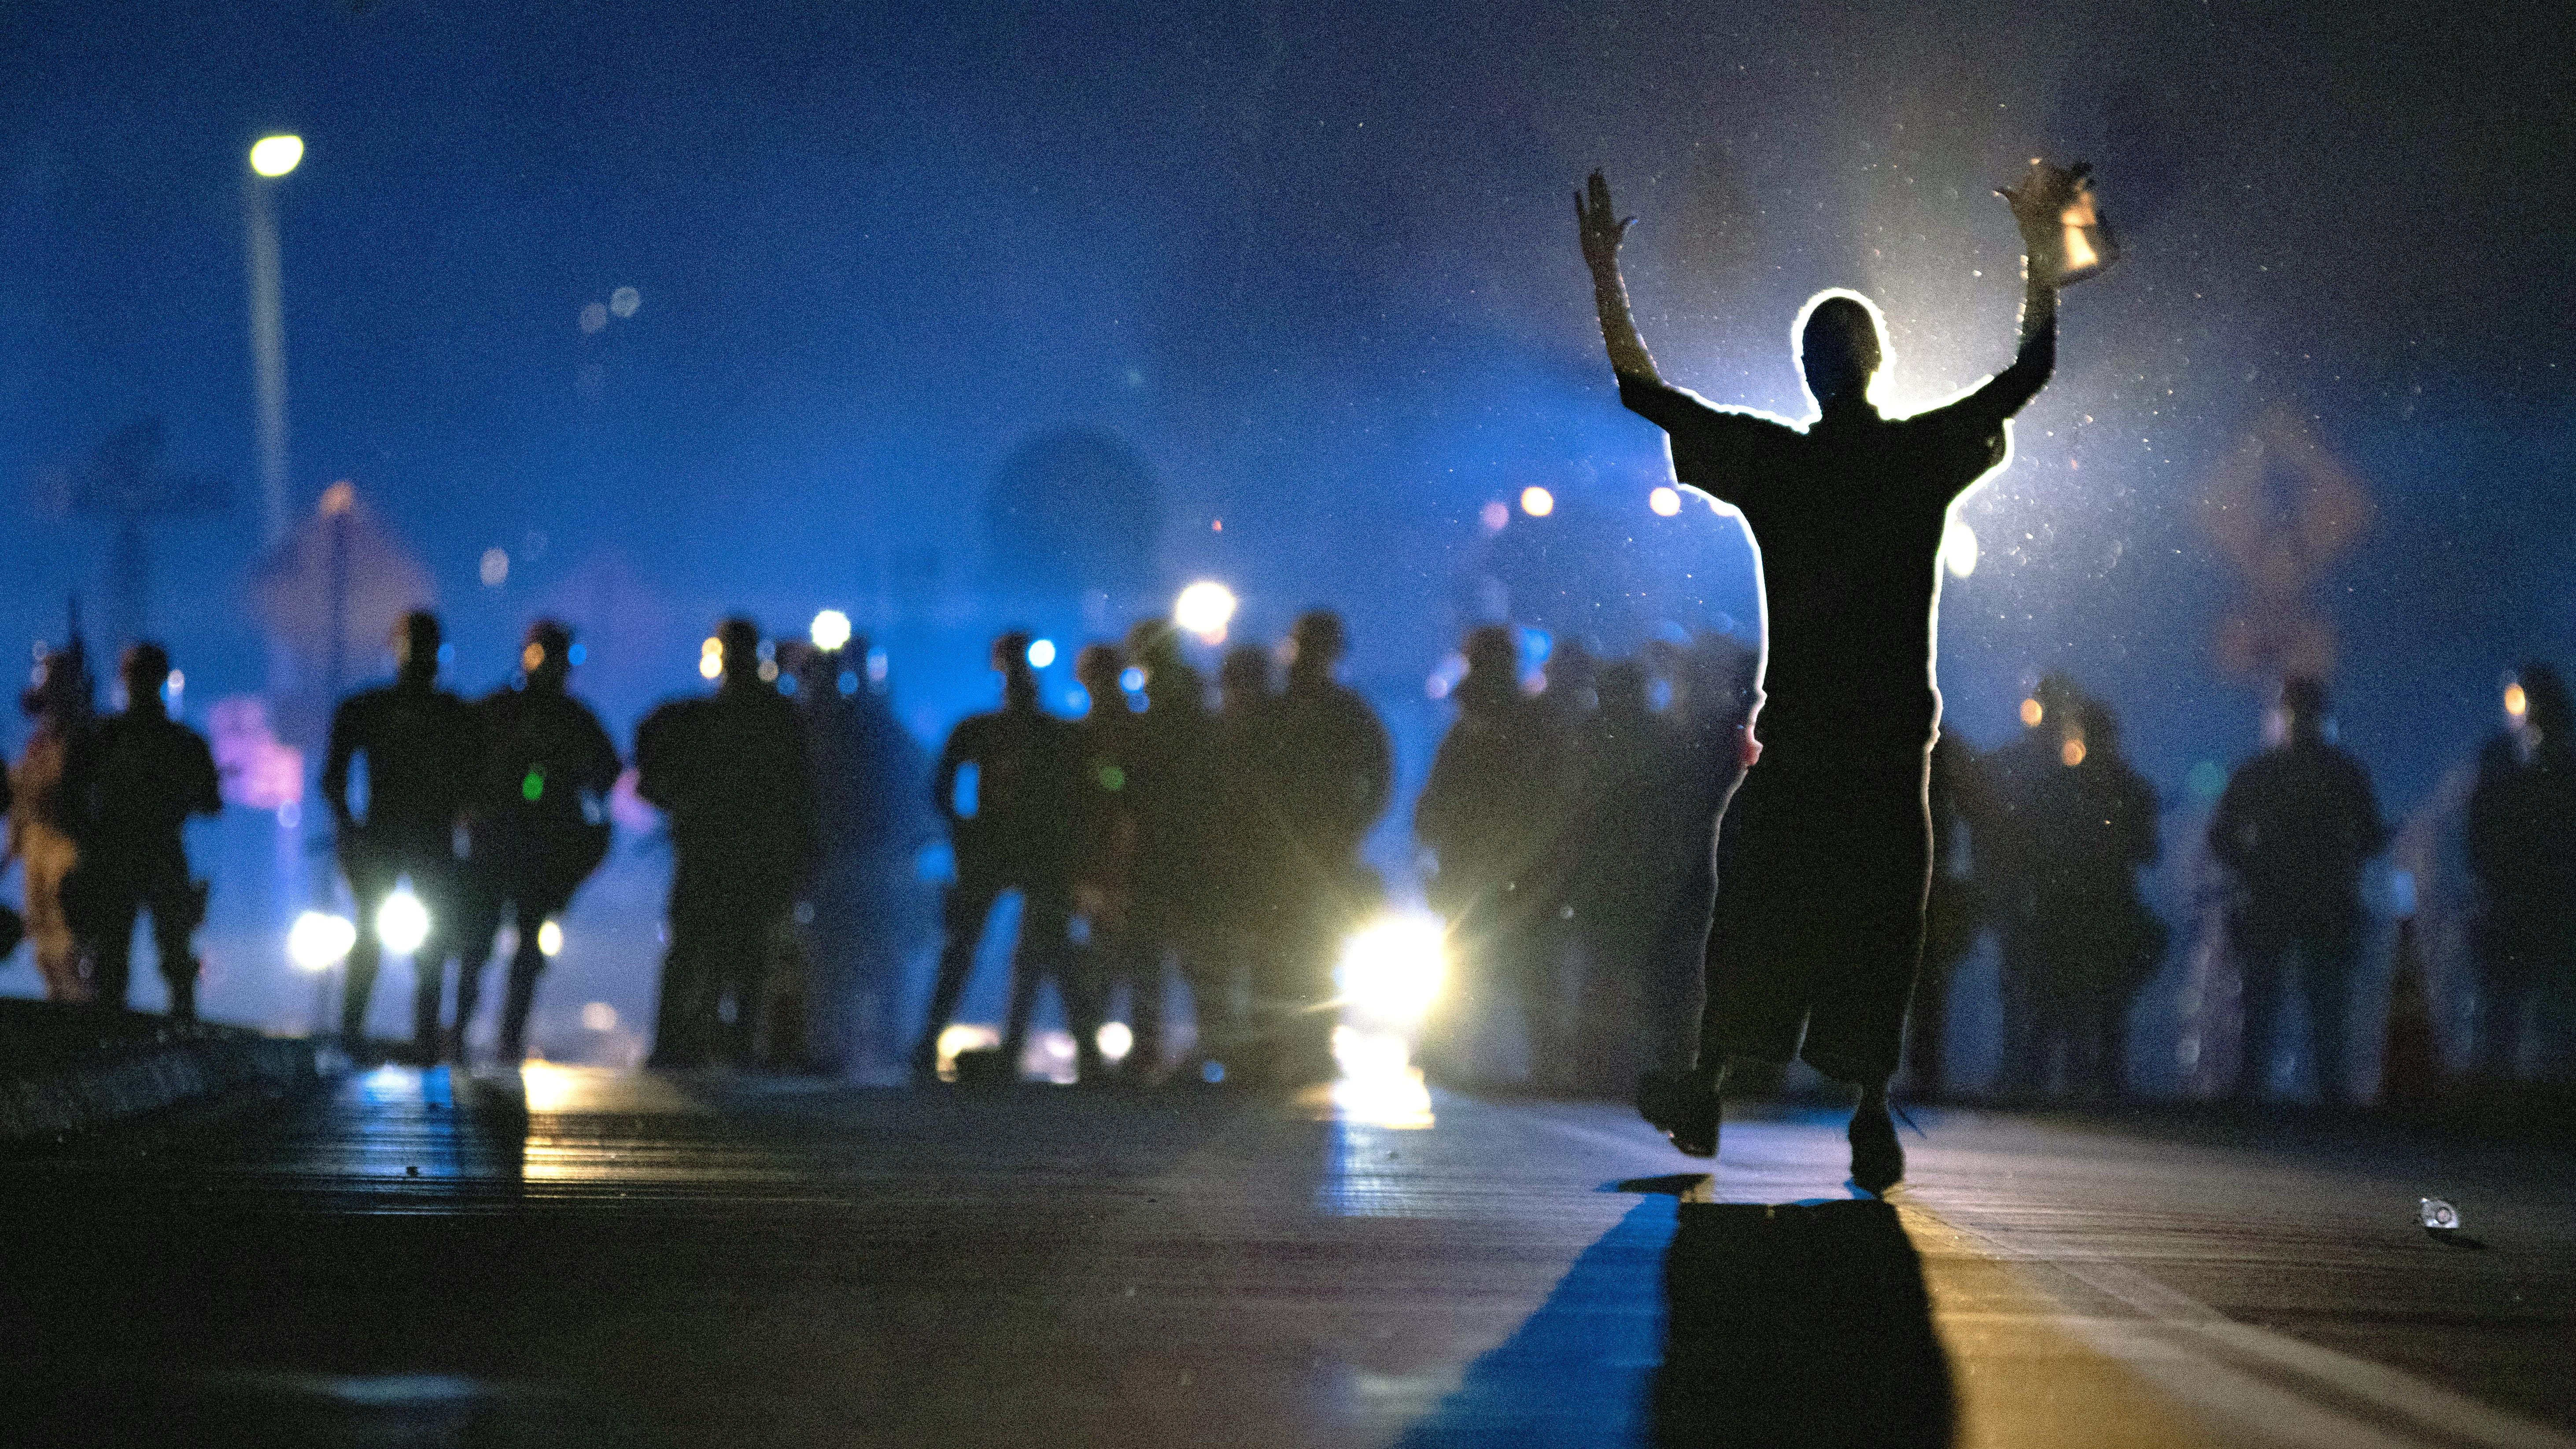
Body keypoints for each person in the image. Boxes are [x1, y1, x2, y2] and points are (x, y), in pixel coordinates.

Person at [1580, 157, 2081, 1188]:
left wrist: (1603, 275)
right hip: (1890, 756)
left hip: (1802, 752)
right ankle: (1864, 1110)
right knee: (1874, 929)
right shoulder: (1917, 461)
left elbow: (1643, 393)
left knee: (1753, 907)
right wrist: (2037, 255)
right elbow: (2025, 377)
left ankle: (1707, 1081)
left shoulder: (1776, 467)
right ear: (1878, 362)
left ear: (1808, 371)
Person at [636, 617, 819, 1069]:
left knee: (708, 952)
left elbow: (800, 795)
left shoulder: (708, 720)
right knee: (737, 954)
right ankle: (722, 1045)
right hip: (743, 857)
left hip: (724, 856)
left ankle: (685, 1044)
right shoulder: (775, 721)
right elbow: (803, 796)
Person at [911, 630, 1092, 1082]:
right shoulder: (1042, 732)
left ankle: (945, 1046)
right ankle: (1068, 1049)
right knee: (1033, 950)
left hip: (1016, 851)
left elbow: (942, 790)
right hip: (1020, 851)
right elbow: (943, 790)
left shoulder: (989, 730)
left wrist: (967, 830)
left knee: (1027, 951)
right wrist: (967, 830)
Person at [2208, 675, 2387, 1103]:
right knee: (2320, 1009)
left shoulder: (2261, 772)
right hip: (2319, 902)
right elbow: (2371, 836)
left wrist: (2252, 867)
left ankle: (2253, 1091)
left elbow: (2222, 837)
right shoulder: (2341, 773)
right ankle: (2327, 1096)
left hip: (2273, 902)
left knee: (2264, 1006)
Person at [449, 620, 620, 1065]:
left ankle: (505, 1039)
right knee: (479, 944)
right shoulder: (500, 710)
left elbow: (605, 783)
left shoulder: (572, 720)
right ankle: (464, 1034)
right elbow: (458, 771)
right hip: (497, 845)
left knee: (520, 949)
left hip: (539, 852)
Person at [1417, 625, 1575, 1085]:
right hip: (1497, 867)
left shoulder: (1491, 724)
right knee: (1492, 965)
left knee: (1483, 964)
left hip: (1493, 865)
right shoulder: (1514, 722)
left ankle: (1454, 1053)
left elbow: (1442, 797)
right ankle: (1473, 1055)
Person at [324, 611, 480, 1059]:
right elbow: (333, 781)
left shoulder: (383, 710)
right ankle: (384, 1036)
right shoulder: (442, 714)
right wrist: (348, 828)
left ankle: (400, 1037)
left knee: (413, 941)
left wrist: (348, 827)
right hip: (398, 840)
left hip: (409, 840)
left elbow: (333, 781)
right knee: (388, 937)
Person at [1264, 611, 1394, 1081]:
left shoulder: (1344, 711)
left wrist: (1351, 826)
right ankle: (1285, 1047)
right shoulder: (1285, 709)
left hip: (1323, 850)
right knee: (1286, 949)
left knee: (1314, 950)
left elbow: (1380, 775)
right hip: (1286, 852)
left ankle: (1309, 1046)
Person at [2012, 692, 2163, 1099]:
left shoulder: (2077, 789)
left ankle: (2067, 1089)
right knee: (2075, 1010)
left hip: (2088, 913)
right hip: (2078, 913)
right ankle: (2080, 1088)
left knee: (2085, 1011)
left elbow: (2146, 850)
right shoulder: (2121, 789)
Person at [59, 643, 222, 1017]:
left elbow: (208, 801)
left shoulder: (112, 736)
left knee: (160, 957)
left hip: (140, 852)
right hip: (131, 853)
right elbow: (210, 801)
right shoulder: (162, 740)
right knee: (124, 957)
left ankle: (157, 1028)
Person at [2462, 664, 2576, 1084]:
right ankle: (2498, 1103)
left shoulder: (2558, 765)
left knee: (2554, 1022)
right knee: (2502, 1019)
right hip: (2512, 912)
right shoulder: (2502, 761)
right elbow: (2480, 834)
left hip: (2551, 911)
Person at [1070, 641, 1155, 1074]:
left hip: (1122, 864)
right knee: (1126, 960)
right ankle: (1121, 1054)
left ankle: (1116, 1055)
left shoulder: (1109, 731)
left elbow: (1122, 797)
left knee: (1123, 958)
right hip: (1115, 863)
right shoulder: (1109, 728)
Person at [8, 638, 95, 1002]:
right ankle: (60, 1003)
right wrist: (12, 847)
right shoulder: (38, 744)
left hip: (67, 843)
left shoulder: (84, 740)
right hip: (37, 846)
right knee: (44, 937)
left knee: (69, 936)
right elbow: (23, 799)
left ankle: (76, 1007)